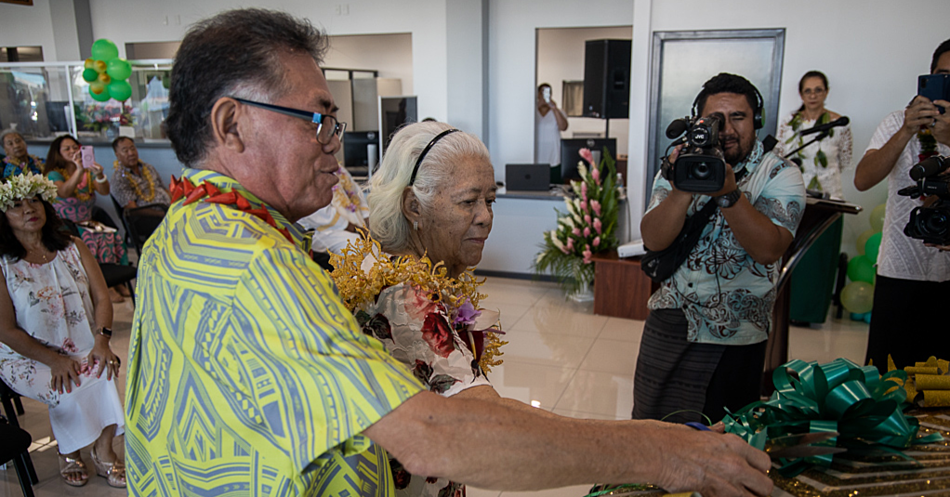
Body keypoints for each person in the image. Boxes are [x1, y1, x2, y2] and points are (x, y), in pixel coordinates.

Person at [125, 9, 772, 497]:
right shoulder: (250, 261)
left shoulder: (187, 232)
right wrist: (661, 451)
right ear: (232, 123)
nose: (333, 140)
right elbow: (434, 434)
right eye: (317, 117)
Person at [332, 121, 508, 497]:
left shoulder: (414, 276)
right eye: (468, 201)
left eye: (490, 200)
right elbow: (489, 430)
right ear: (414, 206)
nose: (486, 216)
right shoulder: (405, 299)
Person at [634, 73, 806, 425]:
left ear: (756, 122)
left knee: (722, 439)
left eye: (738, 117)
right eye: (715, 119)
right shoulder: (678, 165)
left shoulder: (780, 174)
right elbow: (654, 240)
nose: (726, 129)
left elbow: (769, 249)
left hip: (736, 334)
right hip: (671, 319)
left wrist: (728, 194)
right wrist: (683, 186)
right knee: (651, 432)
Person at [0, 172, 126, 488]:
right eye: (17, 205)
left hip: (82, 341)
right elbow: (5, 330)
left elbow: (101, 298)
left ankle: (103, 450)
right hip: (24, 355)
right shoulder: (3, 263)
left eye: (34, 201)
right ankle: (68, 450)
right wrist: (53, 360)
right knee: (68, 388)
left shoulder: (74, 247)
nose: (29, 209)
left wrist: (102, 340)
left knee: (103, 372)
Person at [855, 38, 950, 372]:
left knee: (942, 387)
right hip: (901, 270)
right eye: (943, 75)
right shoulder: (898, 122)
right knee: (889, 377)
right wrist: (908, 131)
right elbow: (863, 179)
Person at [774, 71, 853, 326]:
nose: (813, 95)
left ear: (826, 92)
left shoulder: (839, 123)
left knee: (818, 259)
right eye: (808, 91)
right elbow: (779, 154)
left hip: (829, 197)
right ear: (801, 94)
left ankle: (811, 314)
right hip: (794, 196)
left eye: (818, 90)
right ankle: (786, 310)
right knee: (790, 255)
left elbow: (845, 160)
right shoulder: (788, 121)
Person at [44, 136, 128, 302]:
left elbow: (104, 191)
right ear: (58, 153)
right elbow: (64, 192)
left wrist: (100, 175)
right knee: (90, 239)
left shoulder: (88, 174)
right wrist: (79, 169)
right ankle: (104, 286)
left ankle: (115, 280)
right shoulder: (54, 175)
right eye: (67, 149)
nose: (72, 151)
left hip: (88, 222)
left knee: (110, 235)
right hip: (66, 225)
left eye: (75, 147)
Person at [297, 164, 369, 256]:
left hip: (355, 225)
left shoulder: (337, 166)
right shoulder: (306, 170)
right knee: (354, 244)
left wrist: (368, 222)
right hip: (319, 230)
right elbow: (321, 215)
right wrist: (358, 230)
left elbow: (356, 194)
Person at [110, 136, 171, 210]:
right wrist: (164, 214)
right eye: (125, 151)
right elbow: (134, 211)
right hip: (151, 217)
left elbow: (164, 189)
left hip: (169, 208)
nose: (131, 153)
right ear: (117, 155)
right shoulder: (118, 179)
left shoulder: (148, 167)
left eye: (133, 149)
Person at [536, 83, 568, 184]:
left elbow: (563, 127)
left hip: (554, 158)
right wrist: (536, 106)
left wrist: (554, 108)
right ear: (538, 95)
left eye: (547, 92)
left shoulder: (558, 112)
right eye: (542, 92)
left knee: (556, 188)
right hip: (537, 158)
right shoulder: (532, 112)